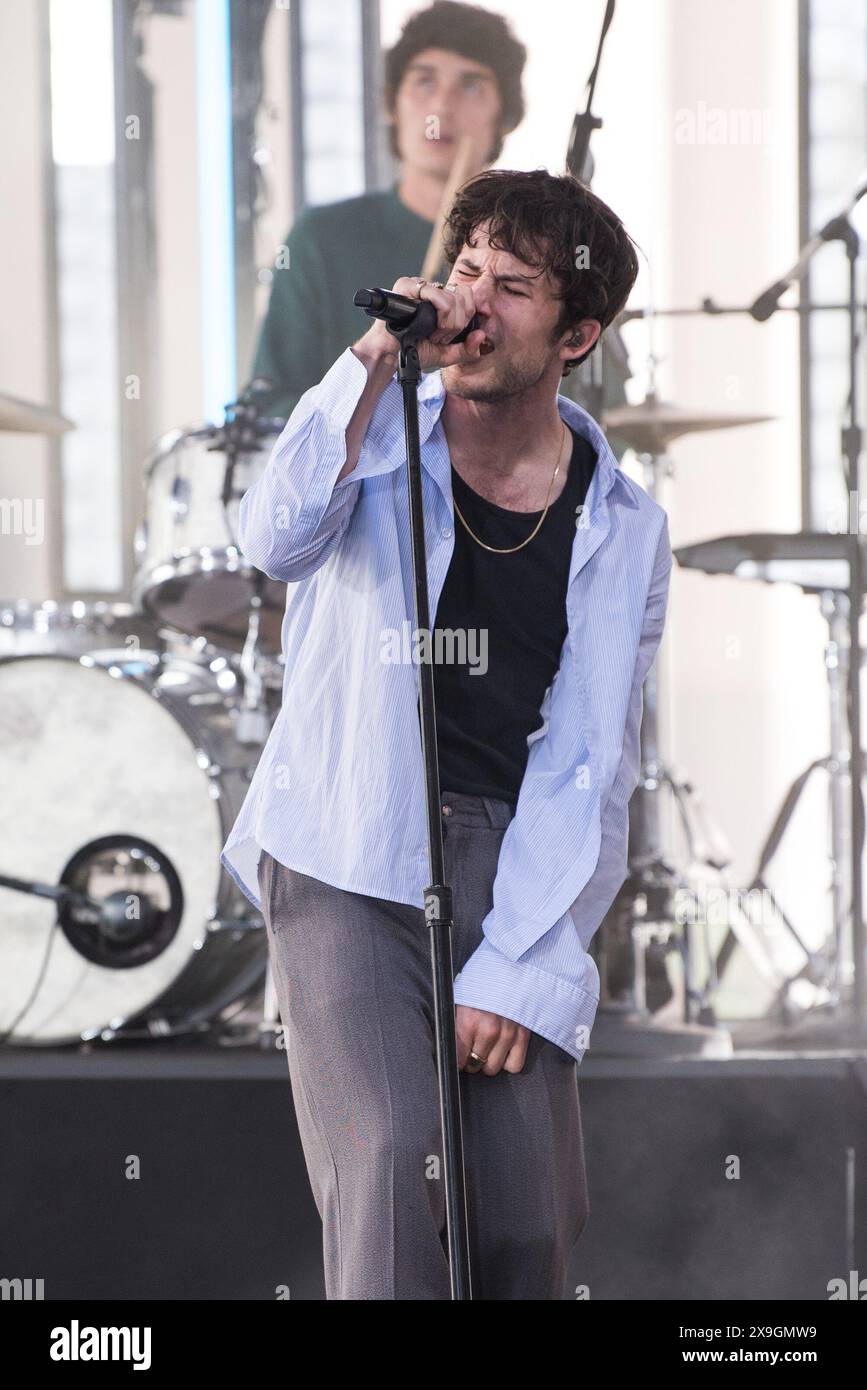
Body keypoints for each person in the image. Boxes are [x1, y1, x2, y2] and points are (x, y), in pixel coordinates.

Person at [222, 168, 672, 1300]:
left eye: (511, 287)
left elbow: (591, 768)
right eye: (466, 268)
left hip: (512, 860)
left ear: (577, 335)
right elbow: (271, 540)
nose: (472, 300)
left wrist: (517, 965)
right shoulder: (377, 431)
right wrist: (373, 360)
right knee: (385, 1166)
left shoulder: (621, 525)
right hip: (345, 842)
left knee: (530, 1217)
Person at [247, 0, 631, 448]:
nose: (442, 106)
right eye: (424, 81)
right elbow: (272, 408)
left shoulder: (556, 247)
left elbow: (606, 419)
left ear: (503, 116)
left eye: (471, 86)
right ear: (391, 103)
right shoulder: (321, 239)